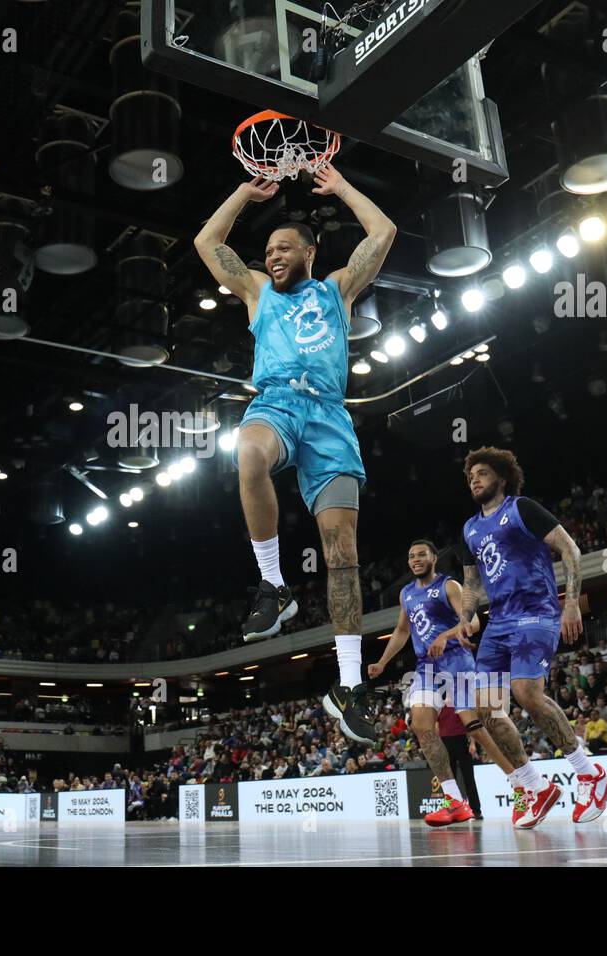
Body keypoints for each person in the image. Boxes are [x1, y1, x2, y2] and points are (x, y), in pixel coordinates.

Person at [193, 165, 397, 743]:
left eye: (284, 247)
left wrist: (341, 188)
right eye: (267, 249)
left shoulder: (337, 289)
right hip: (278, 402)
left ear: (310, 251)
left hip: (330, 415)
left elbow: (382, 233)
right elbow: (208, 243)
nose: (273, 255)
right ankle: (272, 585)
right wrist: (244, 193)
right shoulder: (257, 291)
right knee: (247, 453)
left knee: (343, 554)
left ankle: (350, 684)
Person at [455, 447, 607, 828]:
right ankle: (534, 786)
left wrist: (572, 602)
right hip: (498, 624)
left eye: (481, 473)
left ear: (502, 478)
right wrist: (465, 616)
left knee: (527, 693)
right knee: (487, 710)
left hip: (535, 614)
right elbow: (471, 583)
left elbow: (570, 549)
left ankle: (590, 773)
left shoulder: (522, 508)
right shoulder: (469, 528)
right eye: (470, 476)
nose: (474, 479)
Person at [368, 539, 514, 826]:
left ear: (434, 558)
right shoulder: (406, 594)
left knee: (481, 729)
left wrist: (444, 636)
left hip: (457, 659)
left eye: (422, 554)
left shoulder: (449, 586)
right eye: (411, 556)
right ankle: (453, 800)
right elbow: (401, 631)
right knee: (421, 725)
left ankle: (521, 784)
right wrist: (383, 662)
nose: (415, 559)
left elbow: (472, 624)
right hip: (426, 667)